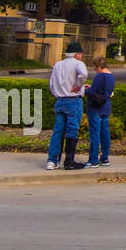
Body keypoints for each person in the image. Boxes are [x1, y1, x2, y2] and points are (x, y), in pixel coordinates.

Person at [46, 42, 88, 171]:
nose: (81, 56)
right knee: (72, 130)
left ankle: (52, 161)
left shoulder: (57, 65)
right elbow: (83, 75)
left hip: (60, 100)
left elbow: (52, 85)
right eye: (80, 54)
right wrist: (79, 86)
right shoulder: (78, 63)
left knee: (57, 131)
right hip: (73, 101)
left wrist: (60, 93)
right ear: (76, 54)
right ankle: (69, 161)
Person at [84, 55, 116, 168]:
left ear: (98, 66)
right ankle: (105, 158)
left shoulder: (99, 76)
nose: (94, 69)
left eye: (94, 66)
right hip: (106, 107)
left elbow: (92, 91)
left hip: (95, 108)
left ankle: (93, 160)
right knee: (105, 133)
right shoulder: (111, 76)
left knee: (95, 134)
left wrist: (85, 90)